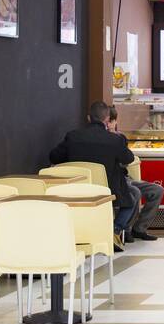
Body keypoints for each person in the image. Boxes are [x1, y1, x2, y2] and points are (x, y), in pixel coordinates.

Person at [49, 101, 137, 251]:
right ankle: (113, 231)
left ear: (88, 118)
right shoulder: (115, 140)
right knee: (132, 200)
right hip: (108, 190)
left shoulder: (73, 137)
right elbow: (129, 159)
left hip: (78, 188)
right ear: (107, 119)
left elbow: (54, 157)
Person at [107, 106, 164, 241]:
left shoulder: (120, 138)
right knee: (134, 193)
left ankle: (140, 228)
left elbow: (126, 161)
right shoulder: (103, 140)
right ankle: (125, 230)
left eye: (112, 121)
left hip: (126, 178)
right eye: (108, 121)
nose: (110, 124)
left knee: (157, 190)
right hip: (115, 181)